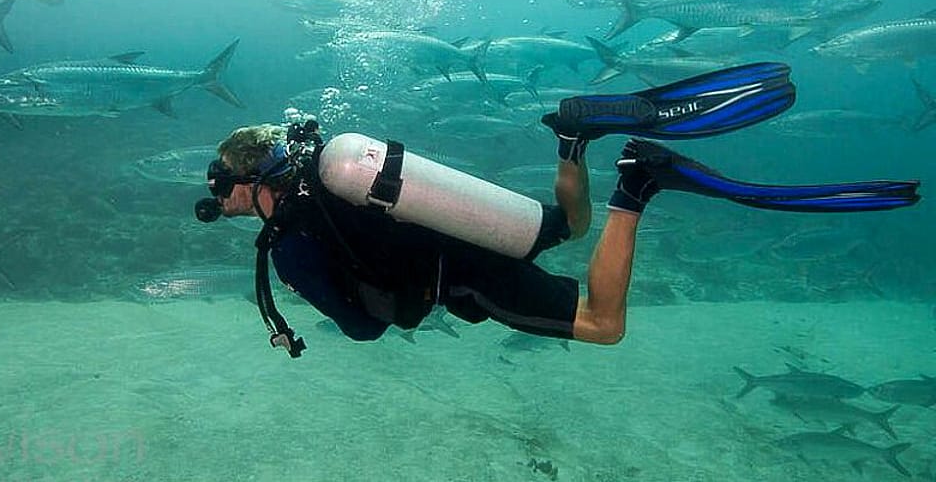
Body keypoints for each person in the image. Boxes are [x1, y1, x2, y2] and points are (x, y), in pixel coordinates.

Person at [195, 63, 920, 357]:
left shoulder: (287, 242)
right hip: (474, 221)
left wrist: (329, 294)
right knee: (570, 225)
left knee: (604, 325)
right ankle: (573, 138)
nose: (223, 205)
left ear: (249, 182)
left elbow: (364, 324)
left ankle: (639, 179)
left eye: (224, 192)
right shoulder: (329, 169)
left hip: (466, 278)